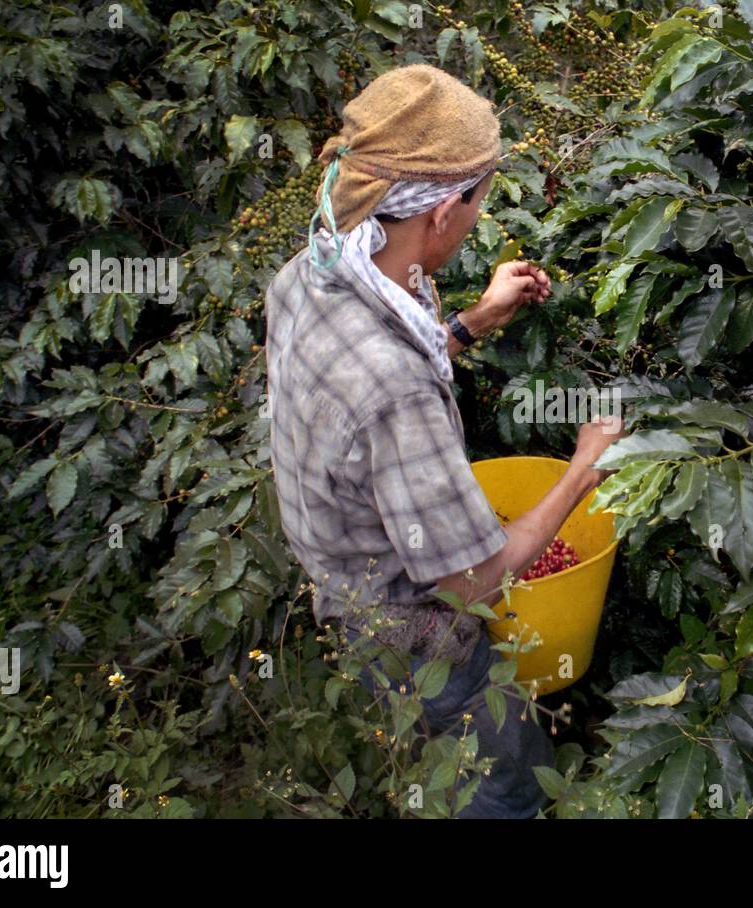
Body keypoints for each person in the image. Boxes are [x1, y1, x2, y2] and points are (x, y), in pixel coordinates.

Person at [263, 64, 624, 818]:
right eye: (479, 200)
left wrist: (471, 323)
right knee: (504, 777)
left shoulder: (311, 269)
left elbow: (365, 381)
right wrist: (582, 470)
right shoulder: (397, 389)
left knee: (432, 731)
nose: (479, 219)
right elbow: (473, 586)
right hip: (407, 623)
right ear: (440, 214)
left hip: (340, 573)